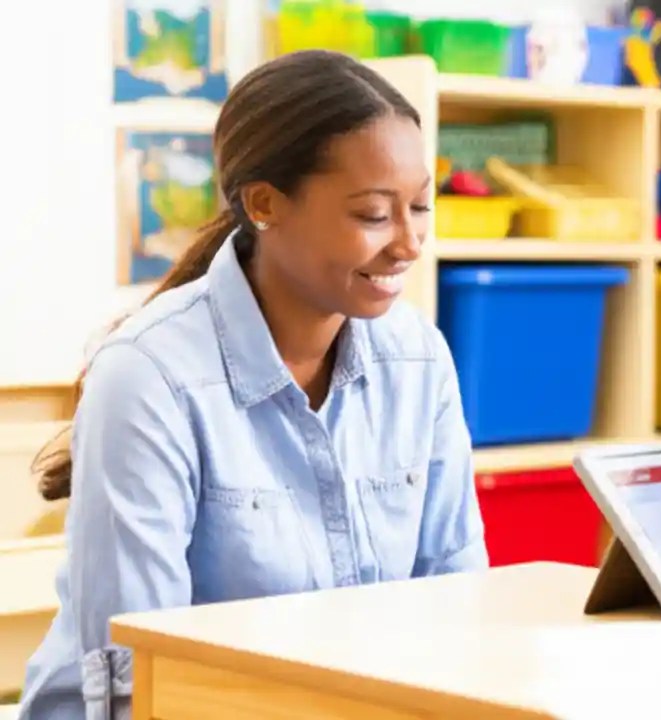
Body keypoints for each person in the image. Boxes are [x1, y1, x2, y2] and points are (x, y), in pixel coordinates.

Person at [19, 49, 487, 718]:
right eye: (373, 215)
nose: (410, 243)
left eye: (420, 206)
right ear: (264, 204)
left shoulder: (418, 360)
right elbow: (134, 678)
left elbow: (457, 602)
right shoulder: (147, 377)